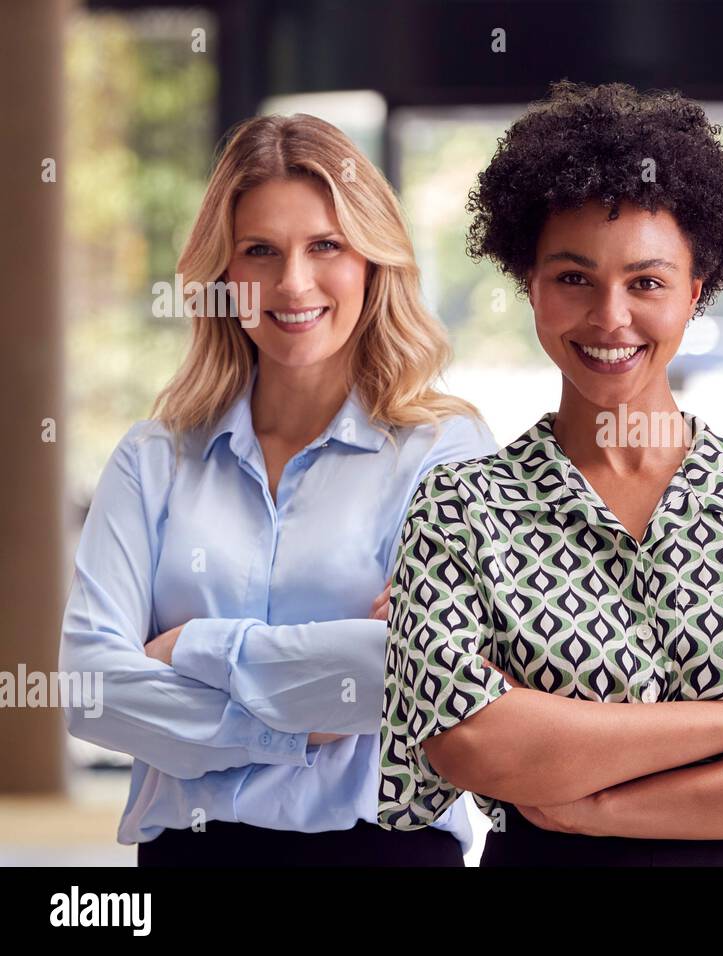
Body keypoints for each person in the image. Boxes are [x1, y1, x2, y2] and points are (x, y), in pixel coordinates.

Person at [375, 80, 723, 866]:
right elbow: (466, 742)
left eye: (647, 282)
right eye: (573, 279)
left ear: (696, 292)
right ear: (530, 287)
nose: (610, 317)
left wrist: (591, 805)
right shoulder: (462, 506)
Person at [59, 113, 496, 866]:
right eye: (260, 252)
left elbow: (420, 670)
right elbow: (91, 689)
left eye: (325, 246)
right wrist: (293, 725)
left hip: (384, 855)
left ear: (372, 261)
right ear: (224, 275)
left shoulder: (443, 453)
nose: (292, 283)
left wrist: (189, 649)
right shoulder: (153, 459)